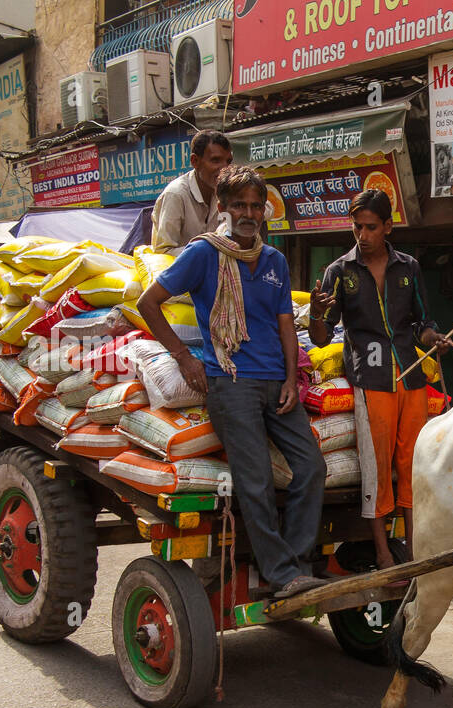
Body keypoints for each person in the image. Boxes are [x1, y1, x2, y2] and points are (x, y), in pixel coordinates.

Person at [138, 165, 329, 600]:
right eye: (239, 204)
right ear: (222, 207)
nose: (248, 212)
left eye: (255, 205)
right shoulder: (204, 254)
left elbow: (285, 325)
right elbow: (149, 303)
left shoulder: (275, 260)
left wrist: (291, 379)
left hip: (275, 384)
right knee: (256, 479)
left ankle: (297, 567)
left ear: (265, 210)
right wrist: (185, 358)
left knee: (312, 468)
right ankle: (281, 575)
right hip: (231, 384)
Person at [308, 188, 449, 571]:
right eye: (358, 227)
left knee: (411, 462)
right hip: (371, 381)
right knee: (376, 465)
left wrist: (434, 339)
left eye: (371, 227)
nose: (363, 235)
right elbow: (321, 337)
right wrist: (316, 314)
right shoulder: (339, 271)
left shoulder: (409, 267)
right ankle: (384, 552)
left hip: (410, 377)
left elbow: (422, 323)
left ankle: (413, 545)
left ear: (388, 226)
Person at [151, 130, 234, 256]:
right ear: (195, 161)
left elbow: (266, 208)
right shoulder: (175, 194)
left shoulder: (224, 191)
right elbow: (163, 252)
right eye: (215, 160)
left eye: (228, 162)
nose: (224, 169)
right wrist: (208, 250)